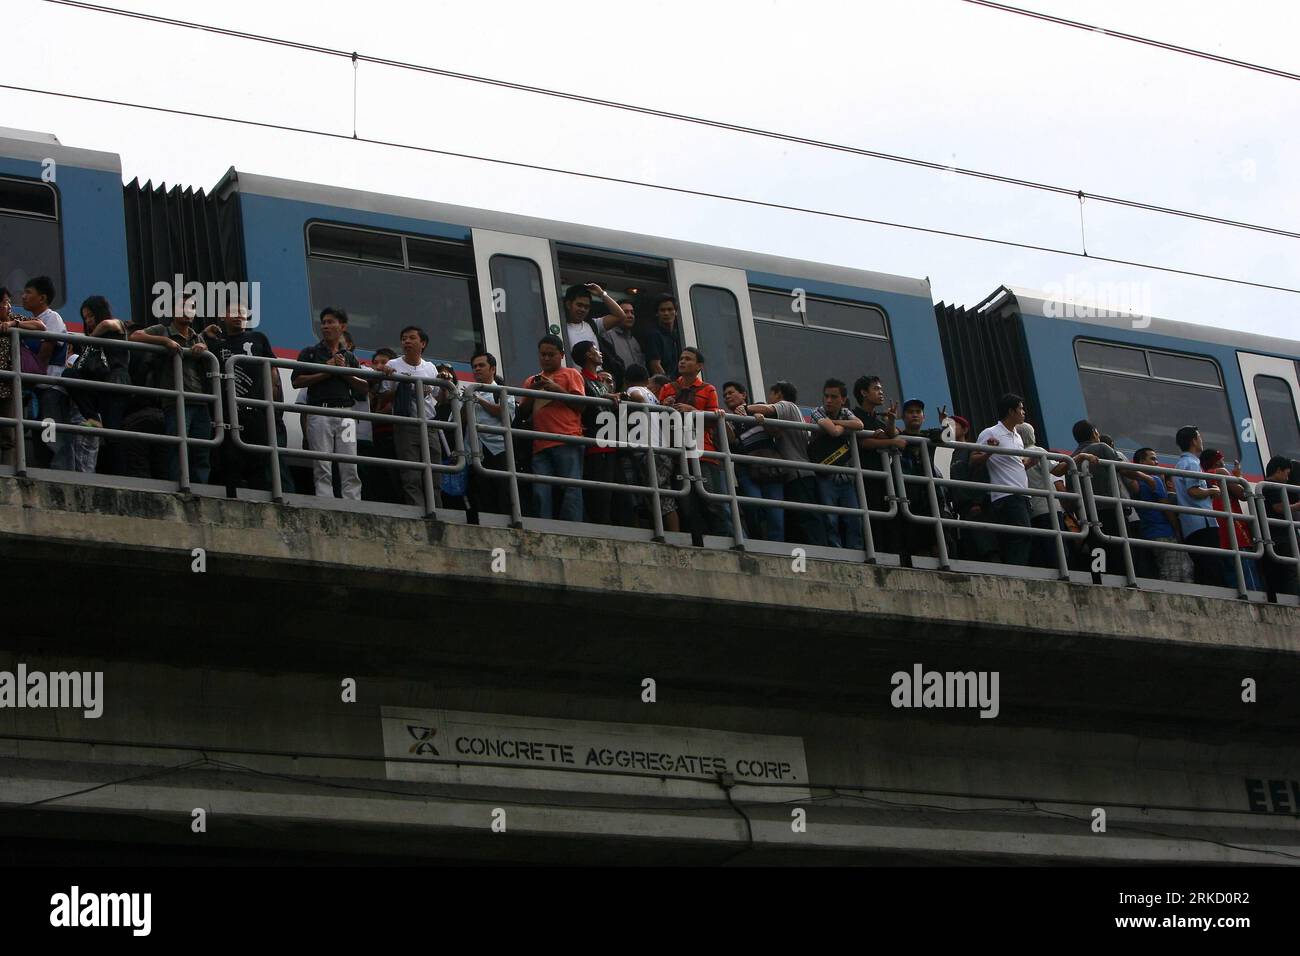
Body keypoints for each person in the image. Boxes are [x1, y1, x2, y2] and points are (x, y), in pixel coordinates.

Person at [131, 292, 215, 483]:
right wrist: (166, 341)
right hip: (176, 400)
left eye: (191, 308)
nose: (187, 312)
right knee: (178, 447)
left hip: (200, 400)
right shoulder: (163, 330)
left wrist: (204, 348)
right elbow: (134, 336)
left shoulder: (197, 337)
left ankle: (201, 488)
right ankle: (180, 485)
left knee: (201, 450)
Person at [657, 347, 733, 539]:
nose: (682, 361)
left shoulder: (708, 389)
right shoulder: (667, 388)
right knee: (687, 505)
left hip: (703, 452)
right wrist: (663, 407)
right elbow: (656, 420)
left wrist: (692, 410)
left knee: (713, 502)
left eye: (688, 359)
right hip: (677, 453)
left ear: (699, 366)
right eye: (681, 358)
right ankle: (697, 541)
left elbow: (713, 420)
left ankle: (724, 540)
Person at [291, 307, 367, 500]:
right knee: (322, 463)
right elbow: (296, 381)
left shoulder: (349, 357)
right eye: (323, 322)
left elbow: (364, 388)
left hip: (347, 414)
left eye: (330, 322)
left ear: (342, 326)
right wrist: (326, 370)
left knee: (350, 463)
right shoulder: (309, 353)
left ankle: (353, 503)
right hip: (319, 412)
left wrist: (344, 371)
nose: (325, 326)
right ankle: (325, 501)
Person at [204, 303, 278, 495]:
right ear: (222, 316)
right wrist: (205, 332)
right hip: (227, 412)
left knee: (259, 459)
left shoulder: (258, 338)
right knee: (229, 460)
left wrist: (272, 400)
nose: (239, 316)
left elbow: (272, 370)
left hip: (255, 410)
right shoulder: (217, 343)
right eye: (233, 312)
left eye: (242, 313)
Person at [746, 380, 826, 547]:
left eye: (771, 394)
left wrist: (745, 408)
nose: (769, 399)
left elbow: (766, 409)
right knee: (800, 519)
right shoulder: (791, 413)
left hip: (799, 473)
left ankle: (819, 551)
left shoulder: (787, 405)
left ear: (779, 394)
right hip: (795, 473)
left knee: (807, 518)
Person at [521, 334, 585, 522]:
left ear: (561, 355)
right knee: (541, 490)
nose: (546, 358)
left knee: (571, 488)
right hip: (540, 443)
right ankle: (544, 526)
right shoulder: (532, 380)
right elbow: (522, 413)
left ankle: (573, 528)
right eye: (543, 355)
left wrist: (556, 389)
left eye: (551, 354)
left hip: (568, 439)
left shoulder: (571, 374)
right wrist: (533, 392)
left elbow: (581, 406)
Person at [379, 325, 441, 508]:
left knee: (435, 472)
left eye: (412, 338)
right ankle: (417, 510)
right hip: (406, 424)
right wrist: (398, 384)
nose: (406, 341)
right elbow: (383, 396)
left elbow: (437, 396)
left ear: (422, 343)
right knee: (411, 473)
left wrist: (445, 380)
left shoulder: (430, 368)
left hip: (430, 424)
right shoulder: (392, 365)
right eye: (404, 338)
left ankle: (437, 510)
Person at [971, 394, 1032, 565]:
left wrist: (1030, 463)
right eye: (1020, 408)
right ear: (1011, 411)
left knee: (1020, 536)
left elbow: (1015, 464)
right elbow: (973, 459)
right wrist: (989, 451)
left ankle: (1016, 569)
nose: (1023, 412)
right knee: (1022, 535)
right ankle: (1018, 572)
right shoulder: (991, 432)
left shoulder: (1018, 436)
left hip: (1023, 493)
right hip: (1006, 494)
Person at [20, 276, 71, 470]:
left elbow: (47, 350)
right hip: (37, 387)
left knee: (51, 430)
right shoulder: (33, 321)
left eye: (28, 293)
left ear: (42, 298)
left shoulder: (52, 317)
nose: (23, 297)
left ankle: (60, 471)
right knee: (38, 431)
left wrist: (34, 375)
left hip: (50, 385)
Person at [572, 340, 626, 525]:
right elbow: (583, 401)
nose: (599, 353)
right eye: (595, 349)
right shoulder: (581, 378)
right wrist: (606, 396)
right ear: (588, 355)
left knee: (617, 492)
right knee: (600, 490)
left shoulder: (599, 381)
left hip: (611, 442)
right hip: (597, 444)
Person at [723, 380, 785, 541]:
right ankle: (757, 541)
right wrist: (723, 421)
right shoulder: (729, 419)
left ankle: (776, 545)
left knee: (775, 511)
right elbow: (730, 442)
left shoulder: (758, 408)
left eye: (731, 392)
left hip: (769, 465)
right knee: (753, 505)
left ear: (743, 394)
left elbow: (777, 433)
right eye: (725, 395)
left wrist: (762, 419)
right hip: (747, 469)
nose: (727, 397)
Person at [621, 363, 680, 533]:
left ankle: (671, 535)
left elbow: (637, 398)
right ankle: (664, 533)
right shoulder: (652, 395)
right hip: (661, 448)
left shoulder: (633, 391)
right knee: (661, 494)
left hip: (651, 449)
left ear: (626, 381)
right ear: (647, 380)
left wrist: (624, 395)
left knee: (661, 497)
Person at [808, 379, 865, 550]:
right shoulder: (817, 412)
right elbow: (833, 432)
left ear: (843, 399)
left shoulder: (845, 412)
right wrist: (841, 427)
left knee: (854, 517)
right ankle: (836, 550)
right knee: (830, 518)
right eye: (826, 396)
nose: (829, 401)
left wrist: (837, 424)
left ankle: (855, 550)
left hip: (846, 475)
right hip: (826, 475)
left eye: (834, 397)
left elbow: (859, 424)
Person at [851, 375, 904, 555]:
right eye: (876, 389)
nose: (881, 392)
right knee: (871, 516)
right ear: (863, 393)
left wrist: (890, 421)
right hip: (864, 476)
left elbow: (892, 433)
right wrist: (890, 443)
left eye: (881, 389)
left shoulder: (878, 419)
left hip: (882, 477)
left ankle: (888, 554)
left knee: (888, 517)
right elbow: (862, 442)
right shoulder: (854, 416)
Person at [1201, 448, 1263, 592]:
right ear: (1217, 461)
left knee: (1232, 575)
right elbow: (1242, 494)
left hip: (1220, 532)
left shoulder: (1203, 476)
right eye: (1221, 460)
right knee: (1247, 573)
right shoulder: (1221, 473)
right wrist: (1239, 476)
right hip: (1236, 530)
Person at [1130, 447, 1194, 584]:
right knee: (1175, 574)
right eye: (1152, 458)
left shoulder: (1137, 483)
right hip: (1165, 534)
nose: (1157, 462)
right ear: (1141, 461)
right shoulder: (1155, 480)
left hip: (1149, 533)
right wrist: (1177, 530)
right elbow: (1167, 509)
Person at [465, 350, 515, 520]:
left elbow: (504, 414)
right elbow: (457, 420)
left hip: (498, 448)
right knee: (480, 492)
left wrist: (479, 400)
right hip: (473, 449)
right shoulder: (467, 392)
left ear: (492, 368)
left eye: (481, 365)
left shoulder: (501, 391)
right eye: (474, 366)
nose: (477, 369)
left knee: (502, 490)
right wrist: (467, 400)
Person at [1172, 425, 1224, 587]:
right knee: (1212, 566)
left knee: (1202, 567)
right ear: (1194, 441)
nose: (1201, 440)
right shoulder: (1192, 463)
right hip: (1203, 521)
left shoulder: (1180, 464)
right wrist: (1212, 491)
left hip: (1190, 525)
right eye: (1199, 437)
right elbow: (1193, 491)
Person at [1260, 456, 1300, 600]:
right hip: (1280, 537)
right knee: (1289, 572)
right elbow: (1279, 508)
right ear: (1278, 470)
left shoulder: (1266, 486)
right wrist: (1298, 505)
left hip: (1276, 537)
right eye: (1287, 474)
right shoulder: (1272, 486)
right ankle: (1290, 600)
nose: (1288, 478)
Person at [642, 294, 682, 379]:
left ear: (676, 312)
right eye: (662, 310)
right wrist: (670, 386)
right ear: (657, 313)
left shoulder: (678, 336)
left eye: (670, 309)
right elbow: (655, 366)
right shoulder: (654, 335)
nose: (666, 313)